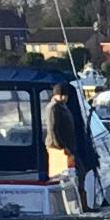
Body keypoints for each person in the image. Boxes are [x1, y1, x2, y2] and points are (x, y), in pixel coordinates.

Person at [43, 83, 98, 211]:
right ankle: (74, 207)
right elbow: (53, 130)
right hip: (60, 149)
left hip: (69, 147)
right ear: (58, 95)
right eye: (64, 95)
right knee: (66, 177)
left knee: (80, 173)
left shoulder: (62, 106)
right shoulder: (53, 108)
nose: (66, 98)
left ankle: (83, 205)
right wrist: (62, 147)